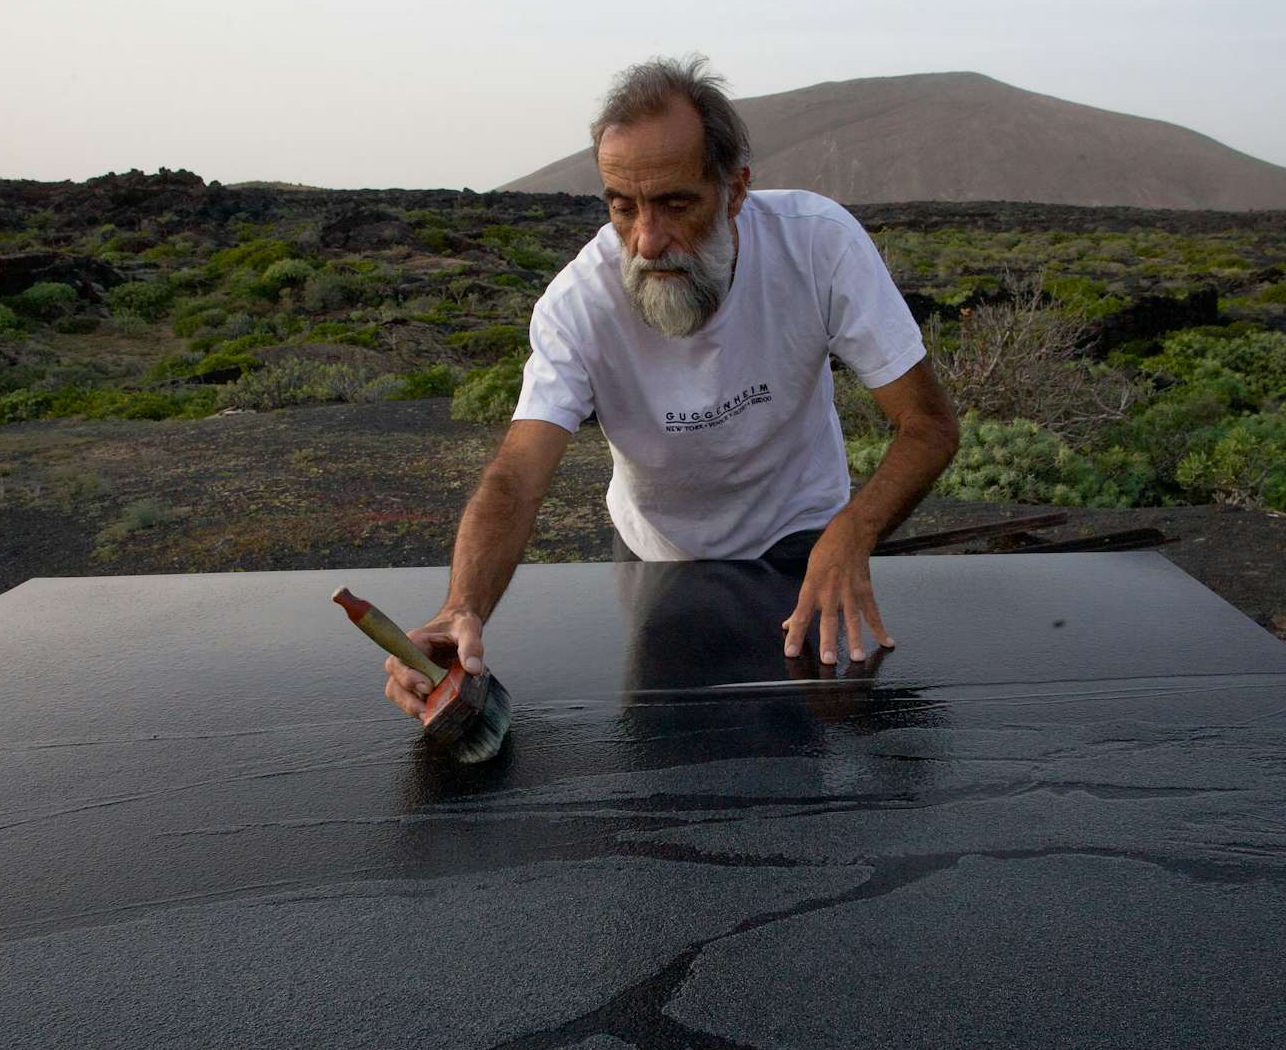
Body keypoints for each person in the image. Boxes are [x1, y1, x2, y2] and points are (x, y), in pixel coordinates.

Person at [385, 55, 960, 720]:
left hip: (800, 531)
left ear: (734, 192)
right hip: (655, 549)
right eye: (623, 208)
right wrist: (462, 608)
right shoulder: (579, 304)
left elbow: (928, 426)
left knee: (799, 737)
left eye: (676, 204)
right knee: (662, 738)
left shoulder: (818, 246)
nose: (648, 241)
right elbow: (517, 475)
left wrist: (852, 532)